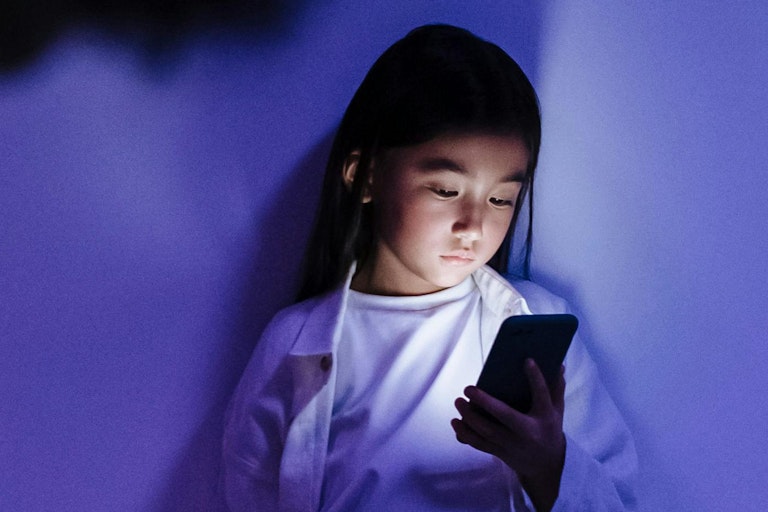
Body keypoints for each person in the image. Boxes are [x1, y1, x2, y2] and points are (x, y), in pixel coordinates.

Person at [221, 24, 637, 512]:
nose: (474, 225)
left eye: (502, 198)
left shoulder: (537, 326)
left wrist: (550, 467)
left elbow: (621, 501)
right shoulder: (292, 344)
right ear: (365, 177)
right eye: (445, 190)